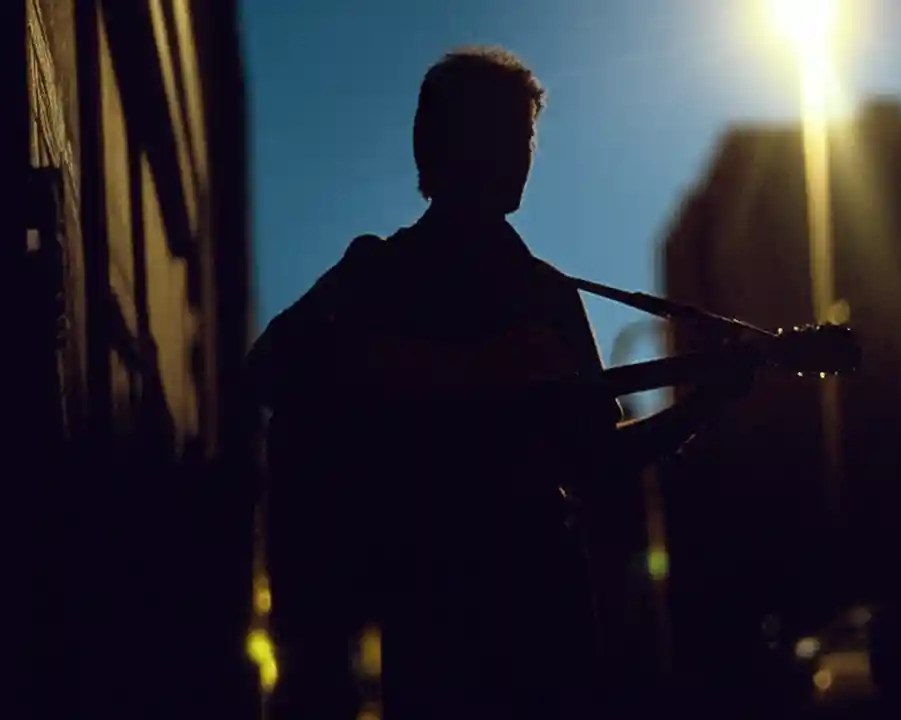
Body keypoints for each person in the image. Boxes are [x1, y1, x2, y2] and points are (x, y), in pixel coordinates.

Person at [245, 46, 754, 719]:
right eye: (506, 133)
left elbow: (598, 457)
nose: (522, 155)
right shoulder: (379, 273)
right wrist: (452, 367)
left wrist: (710, 399)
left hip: (539, 608)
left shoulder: (546, 293)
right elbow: (268, 368)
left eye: (527, 136)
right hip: (434, 607)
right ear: (449, 144)